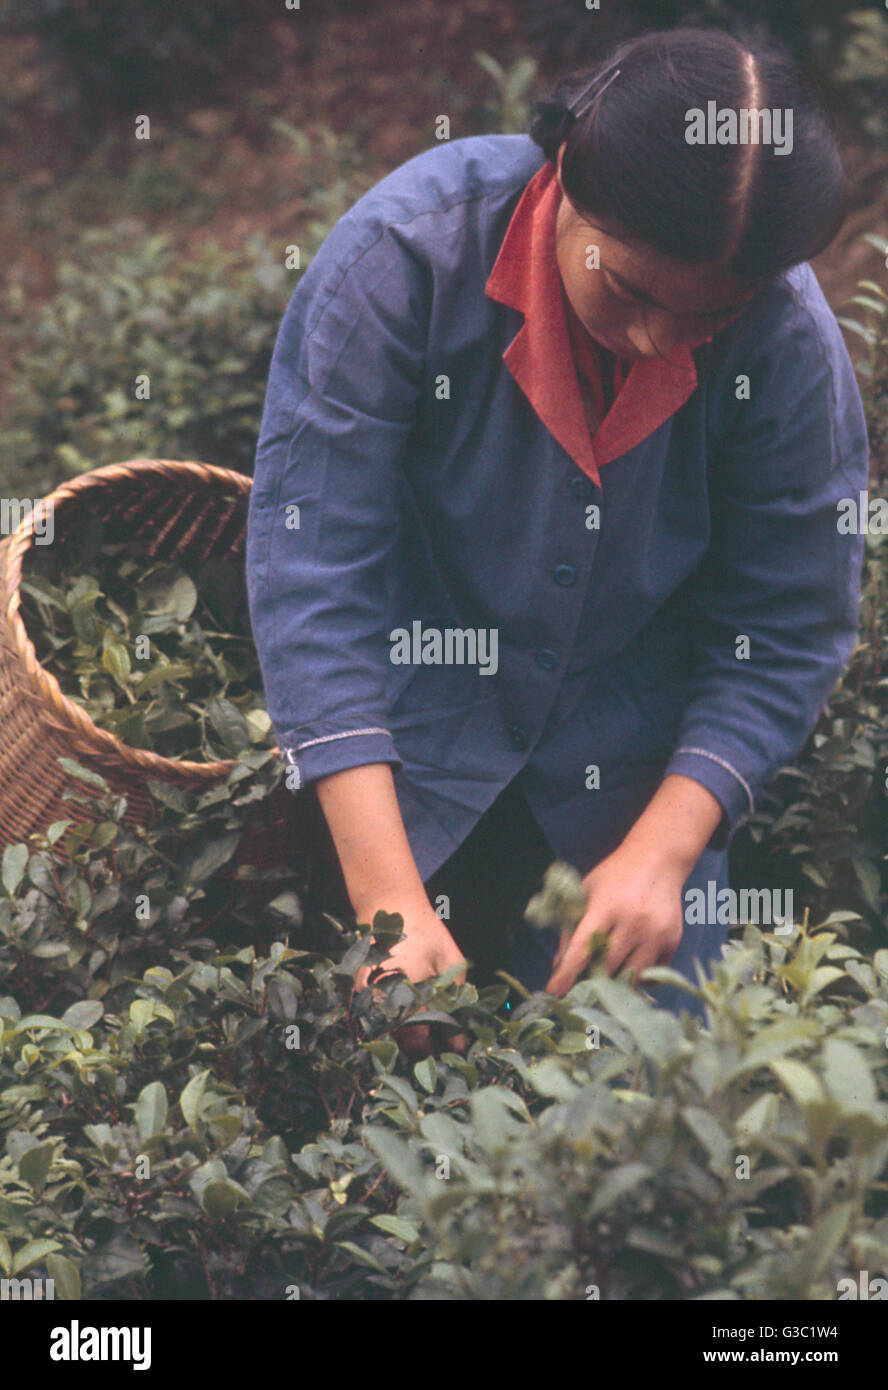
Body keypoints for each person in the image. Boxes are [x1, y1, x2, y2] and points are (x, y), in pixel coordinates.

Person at [246, 27, 868, 1042]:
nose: (662, 341)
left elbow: (785, 625)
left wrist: (663, 852)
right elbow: (315, 572)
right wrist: (387, 908)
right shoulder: (402, 260)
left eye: (707, 322)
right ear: (566, 172)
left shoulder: (786, 343)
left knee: (645, 1081)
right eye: (630, 293)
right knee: (388, 1063)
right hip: (410, 748)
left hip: (631, 774)